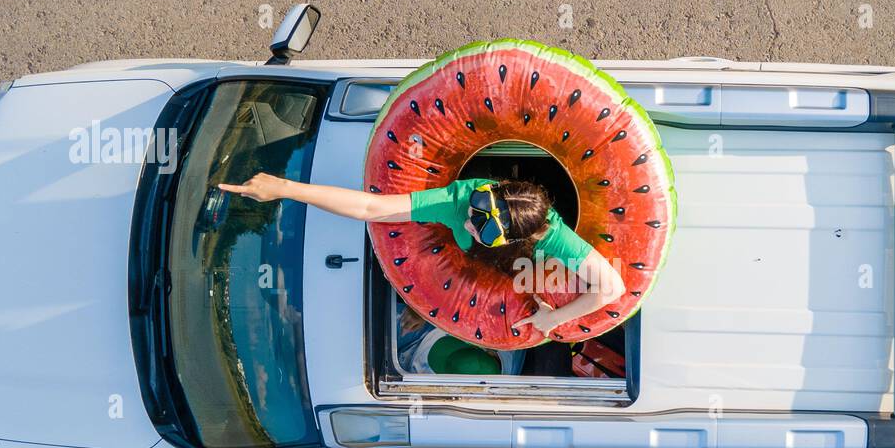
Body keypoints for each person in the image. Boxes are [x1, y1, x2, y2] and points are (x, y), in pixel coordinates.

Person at [215, 173, 625, 336]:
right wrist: (286, 189)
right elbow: (371, 208)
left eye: (482, 228)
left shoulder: (552, 236)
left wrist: (553, 318)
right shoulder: (460, 199)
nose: (468, 222)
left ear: (512, 239)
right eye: (479, 208)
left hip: (508, 278)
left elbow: (612, 286)